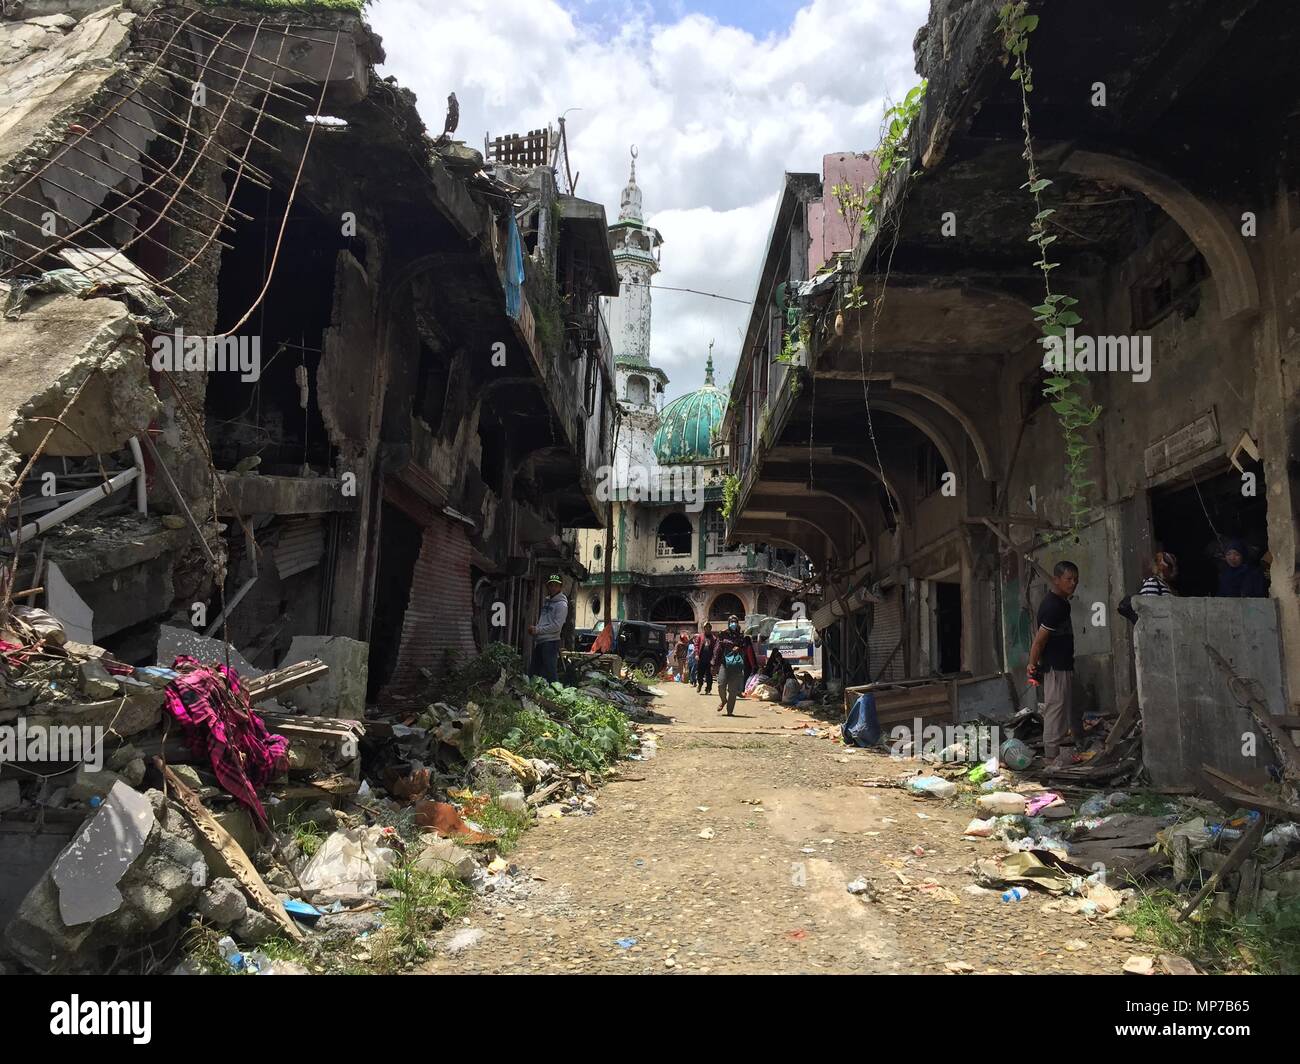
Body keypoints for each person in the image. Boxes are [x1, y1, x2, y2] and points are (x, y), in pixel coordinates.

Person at [1026, 561, 1083, 767]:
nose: (1073, 583)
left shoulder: (1061, 603)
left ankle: (1061, 751)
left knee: (1063, 708)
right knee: (1055, 709)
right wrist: (1032, 664)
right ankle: (1051, 756)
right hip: (1056, 667)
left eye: (1076, 579)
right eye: (1069, 579)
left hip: (1063, 665)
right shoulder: (1054, 606)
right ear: (1056, 580)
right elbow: (1040, 639)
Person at [527, 574, 568, 684]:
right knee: (534, 671)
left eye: (556, 585)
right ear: (548, 586)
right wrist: (537, 630)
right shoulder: (547, 601)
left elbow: (556, 626)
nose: (553, 588)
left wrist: (537, 630)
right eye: (551, 585)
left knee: (550, 673)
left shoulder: (562, 605)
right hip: (541, 641)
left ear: (560, 587)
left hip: (550, 642)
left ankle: (556, 696)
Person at [1118, 551, 1177, 624]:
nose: (1151, 562)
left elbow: (1147, 613)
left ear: (1159, 567)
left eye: (1155, 560)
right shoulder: (1165, 588)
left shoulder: (1153, 582)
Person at [713, 614, 752, 716]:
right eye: (731, 622)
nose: (733, 624)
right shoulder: (723, 634)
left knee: (732, 690)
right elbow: (717, 649)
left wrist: (739, 648)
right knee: (721, 685)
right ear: (728, 623)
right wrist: (713, 663)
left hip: (736, 666)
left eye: (735, 622)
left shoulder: (741, 636)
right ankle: (723, 700)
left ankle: (730, 711)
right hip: (724, 664)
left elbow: (745, 649)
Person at [694, 623, 716, 695]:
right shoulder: (701, 636)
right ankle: (700, 684)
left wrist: (714, 659)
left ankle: (708, 689)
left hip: (709, 660)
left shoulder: (713, 638)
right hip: (701, 659)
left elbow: (715, 649)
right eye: (706, 627)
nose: (707, 629)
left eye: (709, 627)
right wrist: (697, 654)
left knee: (709, 675)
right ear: (704, 628)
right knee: (700, 674)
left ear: (710, 628)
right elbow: (696, 645)